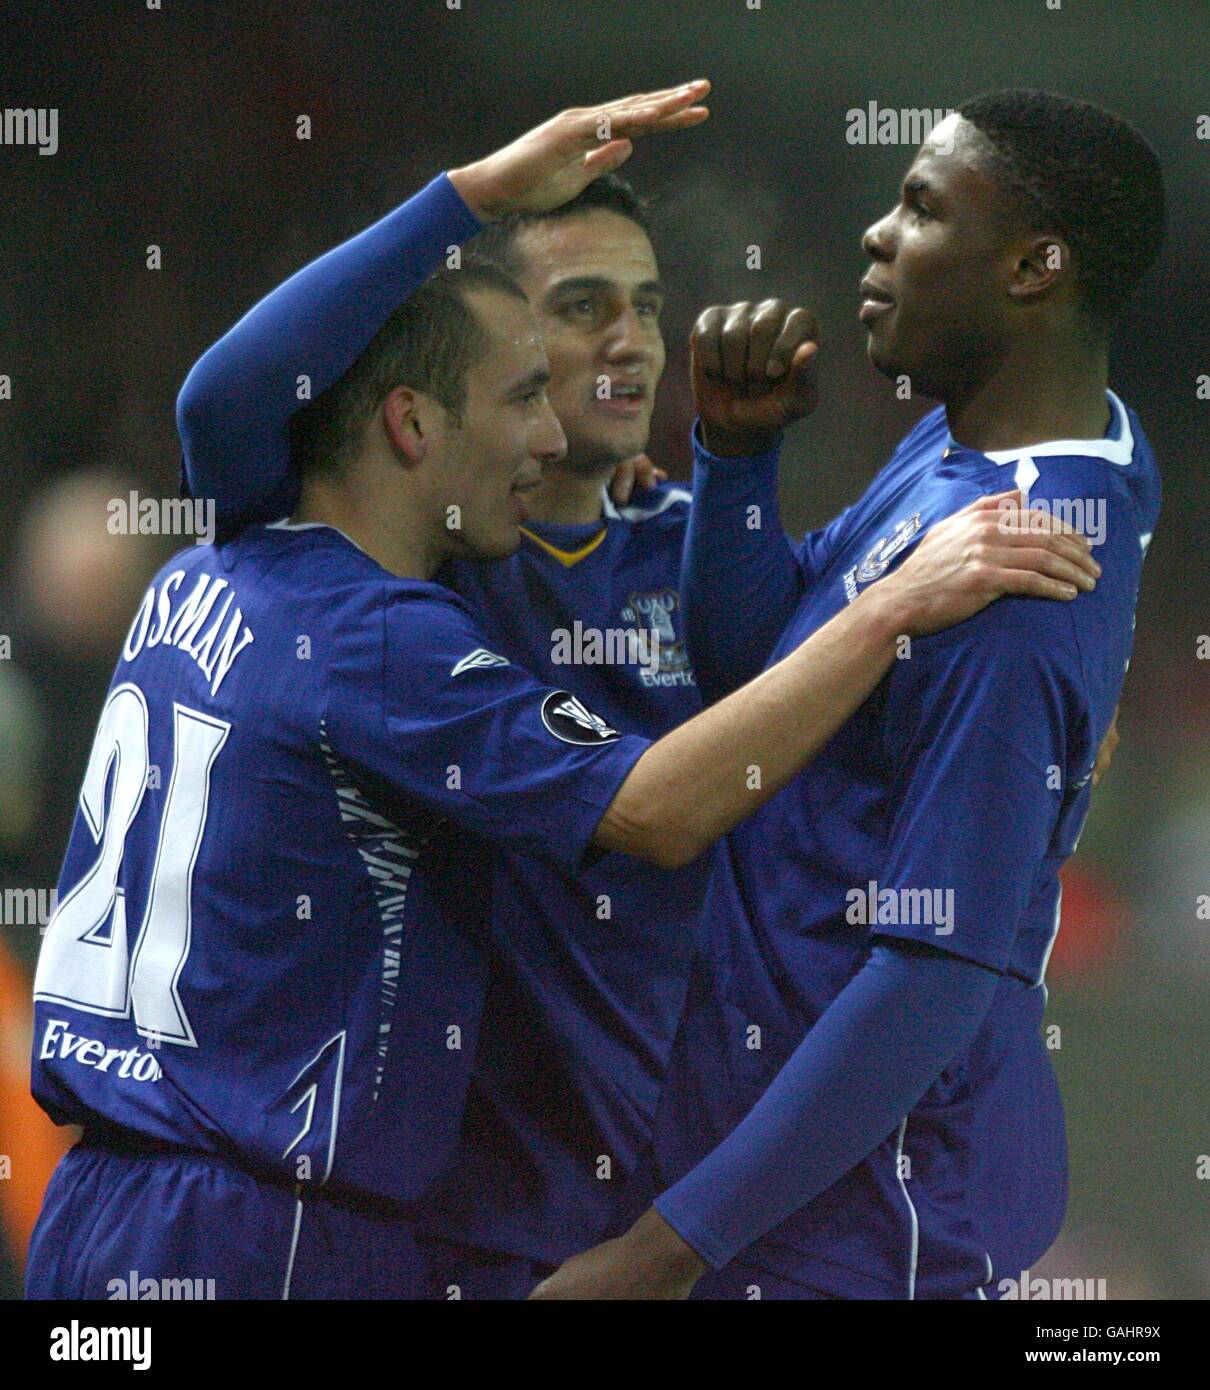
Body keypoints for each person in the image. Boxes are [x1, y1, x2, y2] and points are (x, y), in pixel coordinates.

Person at [25, 82, 1092, 1301]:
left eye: (647, 304)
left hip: (592, 1175)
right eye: (562, 336)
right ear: (420, 408)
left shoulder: (242, 564)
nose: (629, 344)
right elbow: (656, 806)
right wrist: (896, 602)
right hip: (389, 1205)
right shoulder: (416, 590)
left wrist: (1025, 714)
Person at [532, 90, 1163, 1301]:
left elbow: (935, 970)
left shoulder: (1015, 580)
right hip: (765, 1178)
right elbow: (762, 674)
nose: (877, 236)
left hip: (853, 1233)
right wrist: (737, 457)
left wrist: (670, 1248)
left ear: (1036, 265)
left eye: (921, 209)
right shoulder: (963, 452)